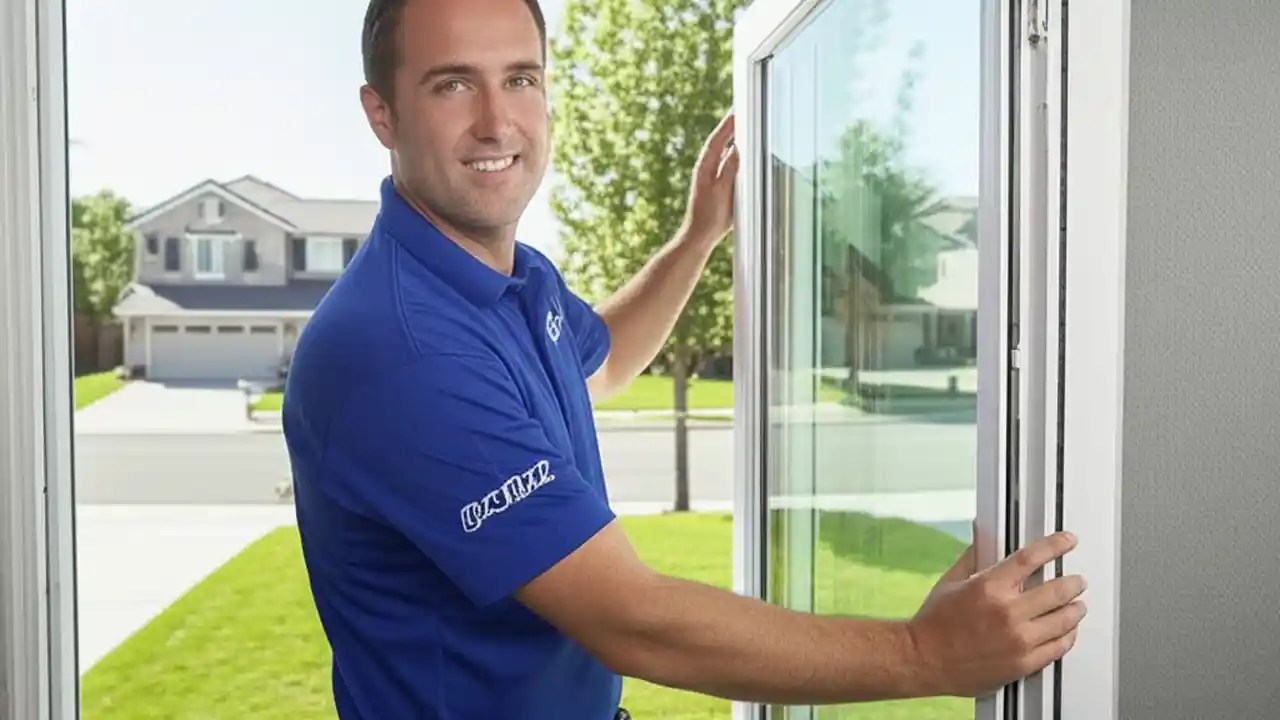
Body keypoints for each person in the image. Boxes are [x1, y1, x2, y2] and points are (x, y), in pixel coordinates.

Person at [281, 0, 1089, 717]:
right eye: (453, 84)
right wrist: (927, 656)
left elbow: (598, 364)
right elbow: (631, 618)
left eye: (521, 79)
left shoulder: (504, 280)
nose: (498, 121)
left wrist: (697, 235)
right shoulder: (400, 352)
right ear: (381, 113)